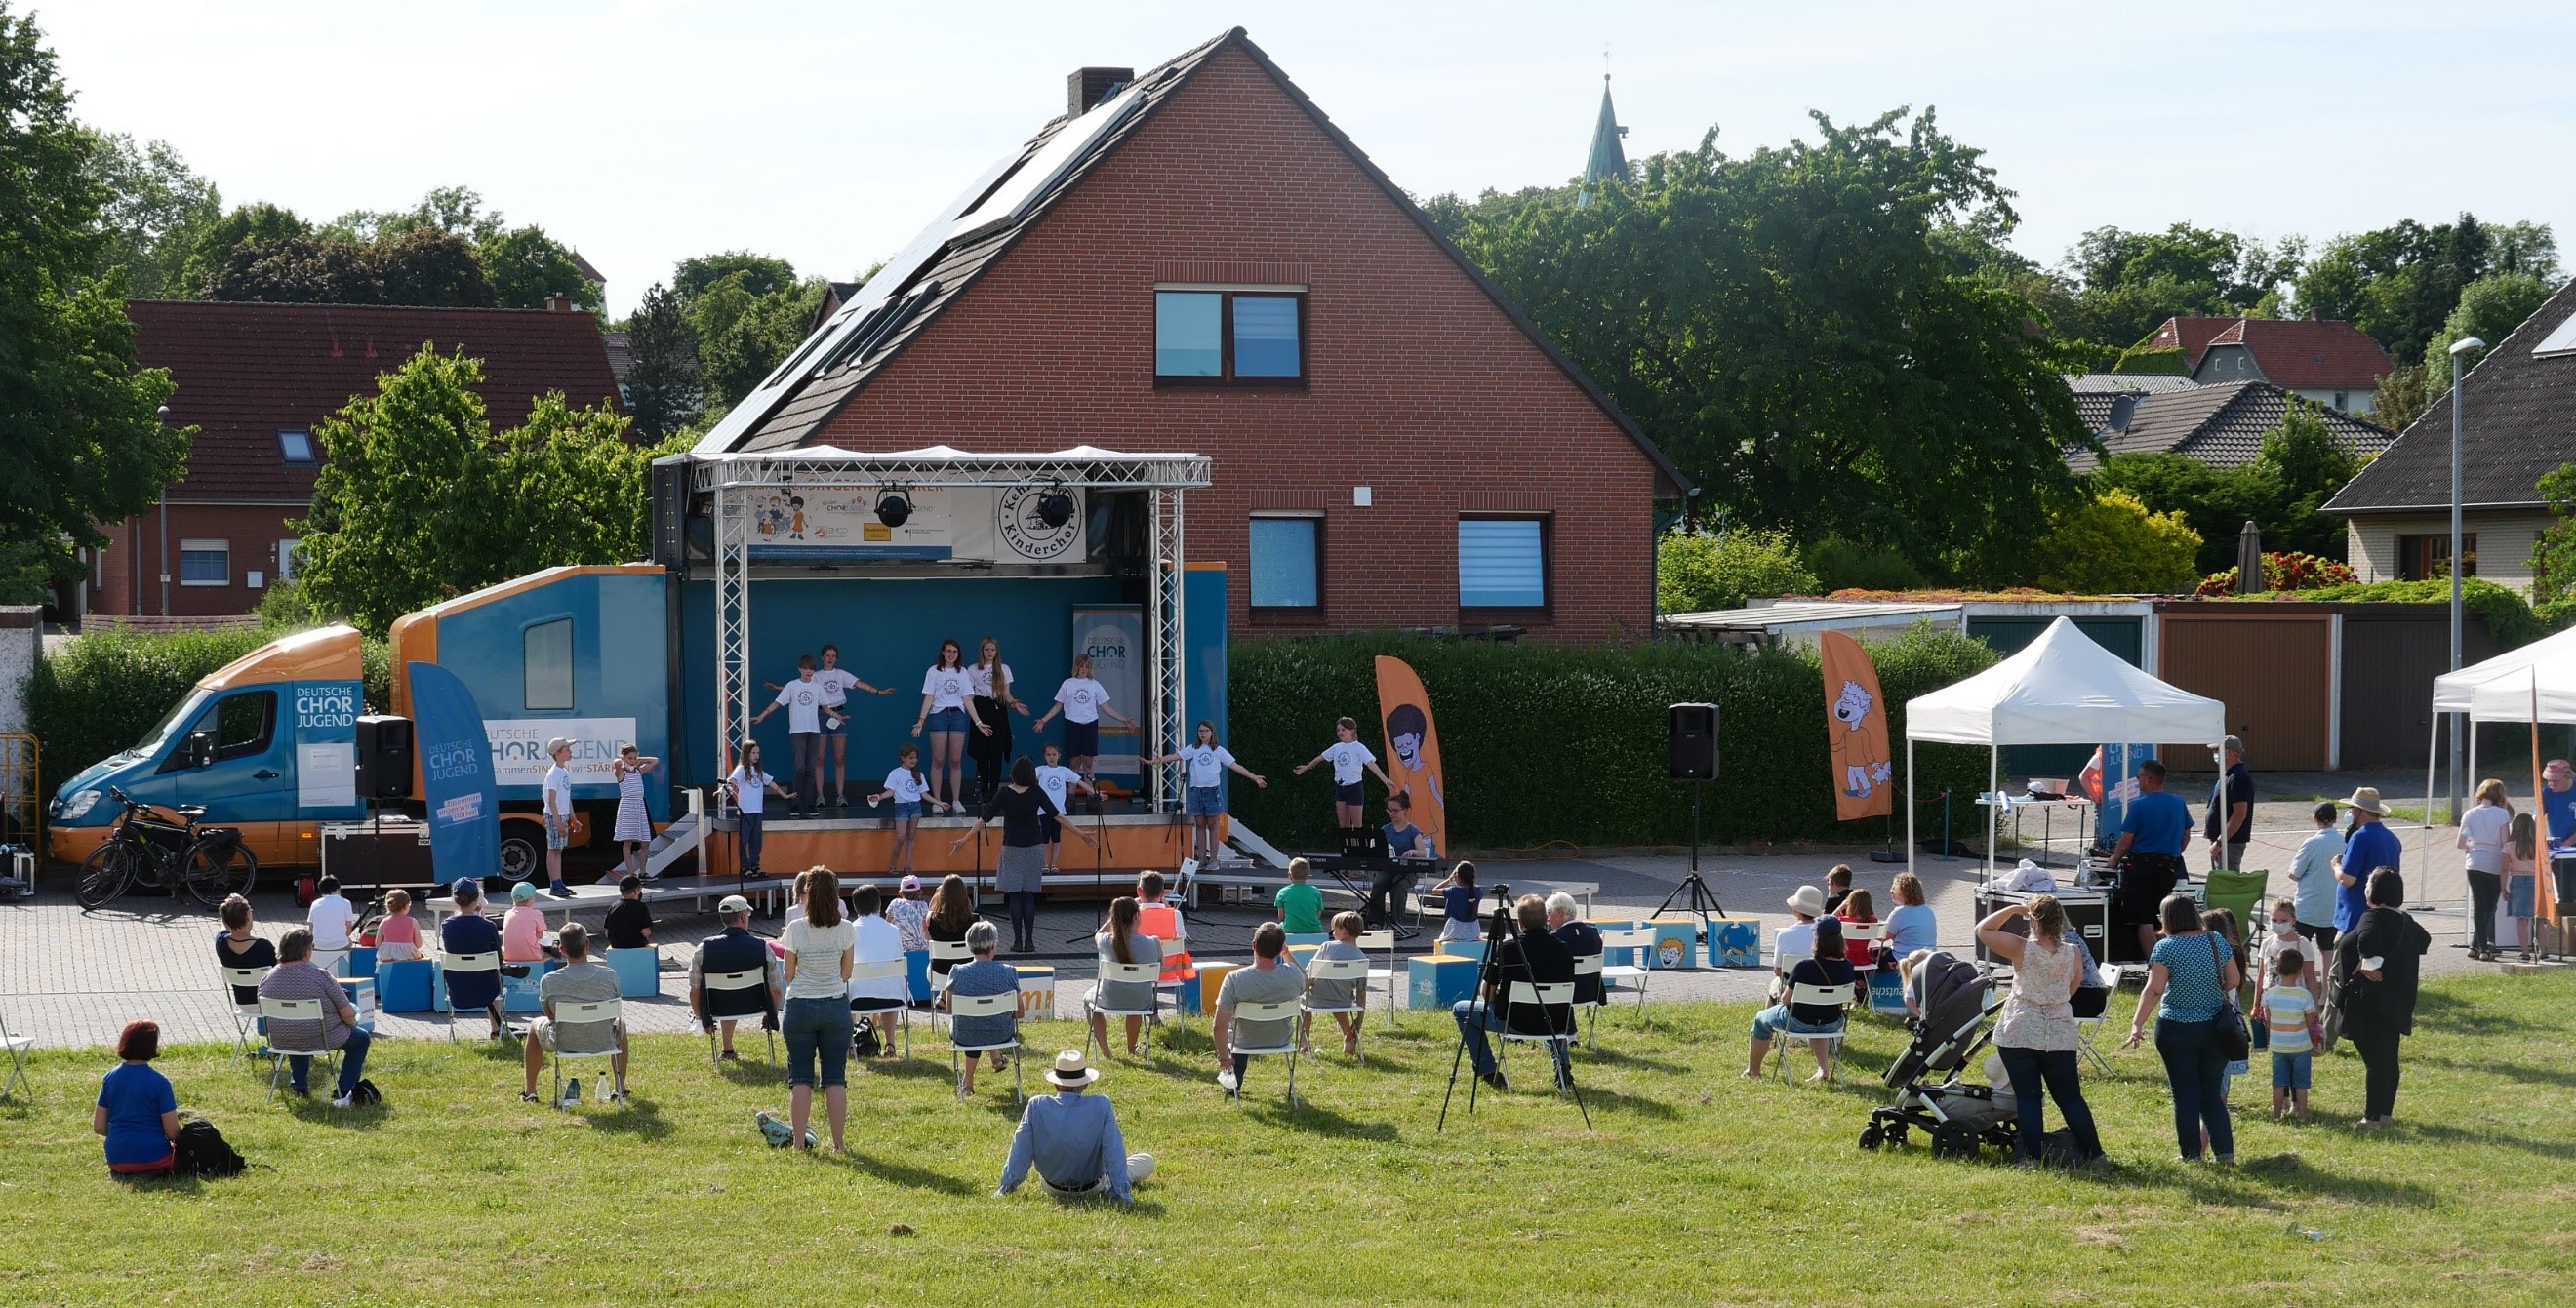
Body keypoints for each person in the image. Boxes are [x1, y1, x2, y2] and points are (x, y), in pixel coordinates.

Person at [1976, 897, 2107, 1169]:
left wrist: (2013, 909)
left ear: (2033, 920)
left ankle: (2031, 1158)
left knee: (2028, 1097)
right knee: (2070, 1098)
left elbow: (1983, 930)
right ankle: (2096, 1156)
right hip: (2059, 1030)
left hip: (2021, 1028)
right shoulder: (2073, 951)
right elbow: (2073, 986)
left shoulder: (2022, 948)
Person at [2122, 894, 2242, 1163]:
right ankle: (2225, 1153)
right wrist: (2208, 992)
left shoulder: (2166, 947)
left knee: (2185, 1094)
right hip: (2214, 1027)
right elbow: (2234, 979)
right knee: (2211, 1094)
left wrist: (2137, 1024)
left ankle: (2191, 1155)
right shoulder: (2216, 941)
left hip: (2176, 1028)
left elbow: (2154, 989)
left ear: (2168, 918)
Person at [952, 755, 1099, 954]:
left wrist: (965, 839)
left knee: (1015, 895)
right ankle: (1030, 941)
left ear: (1014, 773)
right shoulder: (1037, 792)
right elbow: (1058, 816)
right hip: (1033, 846)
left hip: (1011, 846)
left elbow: (984, 818)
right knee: (1028, 895)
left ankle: (1016, 941)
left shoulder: (1005, 792)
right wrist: (1081, 834)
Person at [2334, 868, 2433, 1129]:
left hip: (2370, 1000)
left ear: (2375, 892)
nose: (2365, 888)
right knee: (2388, 1059)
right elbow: (2425, 940)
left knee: (2376, 1061)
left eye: (2368, 884)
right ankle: (2385, 1114)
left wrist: (2368, 963)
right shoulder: (2406, 920)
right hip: (2398, 999)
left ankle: (2372, 1117)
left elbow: (2366, 941)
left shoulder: (2372, 916)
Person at [1455, 894, 1577, 1091]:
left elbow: (1487, 995)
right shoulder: (1563, 948)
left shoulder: (1508, 949)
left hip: (1514, 1021)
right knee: (1552, 1007)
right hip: (1554, 1021)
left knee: (1460, 1009)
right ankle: (1562, 1068)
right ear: (1546, 918)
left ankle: (1487, 1070)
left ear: (1519, 922)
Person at [996, 1050, 1152, 1202]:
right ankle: (1118, 1181)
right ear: (1085, 1084)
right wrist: (1121, 1192)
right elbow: (1113, 1151)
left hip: (1052, 1186)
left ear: (1055, 1085)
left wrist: (1006, 1187)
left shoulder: (1036, 1106)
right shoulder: (1101, 1105)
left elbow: (1020, 1151)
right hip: (1092, 1187)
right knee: (1146, 1160)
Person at [779, 869, 857, 1152]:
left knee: (800, 1077)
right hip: (835, 1006)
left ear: (806, 895)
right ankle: (839, 1145)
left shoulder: (796, 928)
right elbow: (846, 973)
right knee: (836, 1077)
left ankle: (799, 1144)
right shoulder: (847, 929)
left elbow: (788, 973)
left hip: (799, 1005)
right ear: (835, 895)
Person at [258, 928, 374, 1105]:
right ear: (306, 951)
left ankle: (299, 1085)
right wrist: (350, 1024)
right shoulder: (320, 976)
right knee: (361, 1039)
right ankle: (343, 1090)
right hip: (322, 1037)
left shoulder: (267, 978)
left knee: (296, 1028)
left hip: (281, 1038)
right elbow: (348, 1014)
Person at [520, 923, 627, 1104]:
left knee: (533, 1026)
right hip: (603, 1039)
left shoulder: (549, 980)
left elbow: (550, 1015)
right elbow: (615, 1007)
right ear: (587, 945)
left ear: (562, 950)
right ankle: (620, 1087)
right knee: (621, 1024)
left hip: (563, 1041)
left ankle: (530, 1091)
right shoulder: (609, 975)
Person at [1746, 916, 1857, 1082]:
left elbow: (1786, 1000)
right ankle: (1823, 1069)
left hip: (1799, 1022)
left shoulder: (1804, 967)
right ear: (1840, 939)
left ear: (1817, 938)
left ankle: (1753, 1071)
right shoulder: (1848, 966)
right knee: (1819, 1020)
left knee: (1761, 1018)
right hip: (1832, 1023)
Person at [1147, 719, 1267, 867]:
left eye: (1205, 731)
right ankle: (1202, 859)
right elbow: (1175, 756)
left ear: (1212, 733)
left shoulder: (1218, 750)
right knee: (1200, 824)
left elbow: (1235, 765)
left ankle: (1214, 859)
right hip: (1196, 790)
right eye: (1200, 731)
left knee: (1213, 824)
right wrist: (1157, 760)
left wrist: (1254, 777)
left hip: (1212, 791)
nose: (1202, 734)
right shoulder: (1193, 749)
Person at [2109, 758, 2192, 960]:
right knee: (2164, 913)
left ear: (2148, 779)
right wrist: (2174, 853)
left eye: (2138, 777)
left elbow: (2126, 841)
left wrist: (2113, 860)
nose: (2136, 781)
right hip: (2169, 866)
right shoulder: (2178, 803)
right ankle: (2172, 959)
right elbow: (2186, 835)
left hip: (2142, 867)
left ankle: (2154, 963)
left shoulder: (2139, 806)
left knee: (2144, 918)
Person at [792, 643, 894, 807]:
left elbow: (859, 684)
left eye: (833, 656)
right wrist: (778, 689)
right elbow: (799, 687)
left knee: (839, 758)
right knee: (819, 758)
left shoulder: (841, 674)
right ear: (822, 657)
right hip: (820, 715)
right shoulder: (816, 676)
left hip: (838, 716)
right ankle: (820, 795)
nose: (830, 658)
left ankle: (840, 794)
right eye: (828, 655)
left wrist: (878, 691)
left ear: (836, 658)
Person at [1214, 923, 1308, 1093]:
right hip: (1281, 1039)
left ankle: (1233, 1086)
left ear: (1254, 945)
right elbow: (1305, 981)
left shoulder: (1234, 979)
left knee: (1234, 1032)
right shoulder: (1293, 974)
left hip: (1243, 1041)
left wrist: (1223, 1058)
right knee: (1238, 1033)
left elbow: (1218, 1027)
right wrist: (1287, 954)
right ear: (1281, 948)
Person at [690, 894, 780, 1061]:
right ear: (743, 917)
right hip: (755, 1004)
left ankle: (727, 1048)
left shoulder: (703, 949)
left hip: (717, 1006)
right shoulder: (763, 948)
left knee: (727, 994)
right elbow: (775, 991)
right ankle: (729, 1049)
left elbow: (694, 991)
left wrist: (700, 1017)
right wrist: (771, 1015)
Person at [1032, 653, 1135, 785]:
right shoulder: (1068, 684)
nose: (1084, 669)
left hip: (1090, 725)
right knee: (1074, 762)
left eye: (1087, 667)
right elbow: (1058, 705)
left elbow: (1106, 707)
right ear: (1077, 667)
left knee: (1088, 762)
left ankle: (1091, 795)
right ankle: (1071, 796)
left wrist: (1123, 720)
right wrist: (1043, 720)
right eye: (1081, 666)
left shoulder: (1095, 684)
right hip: (1073, 725)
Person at [95, 1021, 179, 1179]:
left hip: (116, 1158)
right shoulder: (160, 1082)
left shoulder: (109, 1078)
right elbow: (172, 1131)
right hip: (153, 1157)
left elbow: (99, 1127)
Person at [945, 921, 1020, 1092]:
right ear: (994, 945)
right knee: (985, 1020)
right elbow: (1020, 1012)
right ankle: (996, 1057)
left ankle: (967, 1082)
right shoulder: (1009, 972)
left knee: (974, 1023)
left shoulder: (957, 971)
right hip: (1001, 1033)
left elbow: (951, 1009)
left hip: (965, 1034)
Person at [749, 654, 827, 819]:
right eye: (806, 668)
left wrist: (836, 715)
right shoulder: (792, 686)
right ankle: (796, 803)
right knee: (800, 768)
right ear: (800, 669)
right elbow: (777, 703)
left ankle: (809, 804)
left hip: (814, 731)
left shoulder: (817, 687)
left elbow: (826, 707)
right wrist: (762, 715)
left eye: (811, 669)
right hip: (797, 731)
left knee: (810, 769)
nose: (809, 671)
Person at [1293, 716, 1398, 834]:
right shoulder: (1336, 747)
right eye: (1338, 730)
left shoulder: (1359, 748)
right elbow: (1320, 758)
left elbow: (1371, 764)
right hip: (1340, 788)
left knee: (1357, 825)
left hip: (1354, 788)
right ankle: (1346, 850)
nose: (1340, 732)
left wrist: (1385, 781)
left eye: (1343, 729)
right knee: (1343, 825)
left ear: (1352, 731)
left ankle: (1359, 851)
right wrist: (1306, 768)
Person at [913, 638, 984, 810]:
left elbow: (967, 698)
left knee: (955, 760)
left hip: (958, 715)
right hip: (939, 714)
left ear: (958, 654)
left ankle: (956, 800)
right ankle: (937, 801)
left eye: (955, 651)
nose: (951, 654)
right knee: (938, 760)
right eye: (948, 651)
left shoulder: (963, 672)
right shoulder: (934, 671)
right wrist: (921, 721)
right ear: (943, 653)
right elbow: (929, 696)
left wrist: (978, 722)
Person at [1090, 896, 1164, 1057]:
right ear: (1136, 916)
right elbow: (1159, 967)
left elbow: (1099, 933)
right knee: (1135, 1003)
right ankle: (1131, 1048)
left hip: (1110, 998)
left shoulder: (1106, 941)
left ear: (1114, 919)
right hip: (1142, 1000)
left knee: (1089, 1001)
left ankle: (1106, 1051)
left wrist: (1113, 919)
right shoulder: (1151, 943)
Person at [967, 636, 1032, 804]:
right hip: (980, 708)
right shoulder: (973, 669)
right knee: (982, 752)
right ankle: (982, 789)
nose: (989, 652)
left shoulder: (1004, 669)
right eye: (987, 649)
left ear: (997, 652)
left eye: (992, 649)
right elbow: (970, 695)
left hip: (998, 709)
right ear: (982, 651)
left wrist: (1015, 704)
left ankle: (994, 789)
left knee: (997, 751)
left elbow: (1006, 693)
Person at [440, 878, 508, 1040]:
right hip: (487, 989)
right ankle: (496, 1029)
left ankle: (496, 1029)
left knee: (488, 974)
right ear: (477, 899)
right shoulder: (488, 926)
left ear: (455, 900)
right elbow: (498, 961)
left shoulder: (447, 926)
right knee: (494, 975)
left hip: (458, 989)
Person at [848, 885, 908, 1057]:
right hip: (893, 997)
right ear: (879, 905)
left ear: (855, 907)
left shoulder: (850, 931)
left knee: (846, 989)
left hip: (858, 999)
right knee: (888, 982)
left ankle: (851, 1046)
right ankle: (890, 1043)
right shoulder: (893, 930)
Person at [2458, 778, 2514, 962]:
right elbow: (2504, 841)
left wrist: (2475, 844)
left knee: (2480, 905)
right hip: (2494, 862)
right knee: (2489, 906)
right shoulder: (2502, 814)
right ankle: (2483, 948)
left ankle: (2475, 945)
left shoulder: (2469, 814)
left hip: (2474, 862)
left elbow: (2462, 842)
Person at [2334, 787, 2400, 938]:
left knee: (2343, 960)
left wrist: (2336, 866)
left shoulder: (2360, 837)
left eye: (2352, 809)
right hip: (2382, 918)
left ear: (2359, 811)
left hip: (2354, 919)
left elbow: (2347, 879)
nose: (2350, 813)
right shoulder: (2392, 838)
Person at [2261, 949, 2317, 1121]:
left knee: (2278, 1083)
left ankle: (2276, 1115)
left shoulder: (2269, 994)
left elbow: (2267, 1019)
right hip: (2300, 1045)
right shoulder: (2304, 995)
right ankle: (2302, 1115)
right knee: (2301, 1084)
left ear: (2276, 970)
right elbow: (2310, 1019)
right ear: (2300, 970)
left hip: (2278, 1045)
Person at [870, 743, 942, 877]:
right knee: (901, 837)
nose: (914, 760)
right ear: (903, 758)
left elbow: (924, 794)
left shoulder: (918, 774)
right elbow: (890, 791)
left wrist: (940, 803)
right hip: (902, 806)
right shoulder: (895, 773)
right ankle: (893, 864)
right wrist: (879, 797)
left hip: (915, 806)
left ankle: (908, 866)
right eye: (911, 758)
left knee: (911, 836)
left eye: (915, 758)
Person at [1308, 911, 1371, 1056]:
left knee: (1303, 1004)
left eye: (1334, 929)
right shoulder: (1361, 958)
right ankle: (1347, 1033)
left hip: (1316, 1000)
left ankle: (1304, 1043)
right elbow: (1361, 992)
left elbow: (1310, 975)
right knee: (1337, 995)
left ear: (1343, 931)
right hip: (1344, 1001)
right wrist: (1359, 1019)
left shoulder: (1327, 947)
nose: (1332, 932)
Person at [1367, 791, 1433, 929]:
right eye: (1389, 810)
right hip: (1388, 869)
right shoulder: (1384, 829)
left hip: (1407, 872)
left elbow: (1423, 853)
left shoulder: (1413, 831)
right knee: (1379, 883)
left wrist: (1413, 851)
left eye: (1395, 810)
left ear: (1405, 811)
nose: (1392, 814)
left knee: (1398, 887)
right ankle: (1375, 922)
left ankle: (1396, 922)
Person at [2286, 801, 2343, 950]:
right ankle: (2327, 975)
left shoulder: (2311, 843)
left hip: (2308, 908)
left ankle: (2301, 973)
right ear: (2335, 819)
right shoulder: (2345, 842)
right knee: (2328, 950)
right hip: (2333, 908)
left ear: (2314, 819)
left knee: (2298, 947)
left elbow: (2294, 873)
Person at [726, 741, 788, 878]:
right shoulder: (742, 769)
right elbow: (733, 781)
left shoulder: (758, 771)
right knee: (744, 841)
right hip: (746, 811)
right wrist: (724, 788)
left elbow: (770, 783)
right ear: (746, 754)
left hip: (757, 810)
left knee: (756, 841)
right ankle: (745, 867)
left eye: (758, 753)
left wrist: (785, 795)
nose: (756, 756)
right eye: (753, 753)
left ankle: (755, 866)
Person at [1032, 742, 1093, 875]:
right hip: (1043, 810)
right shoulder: (1040, 770)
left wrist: (1094, 792)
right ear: (1044, 756)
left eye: (1054, 754)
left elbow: (1080, 782)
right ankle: (1044, 863)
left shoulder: (1064, 771)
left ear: (1059, 756)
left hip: (1059, 811)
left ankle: (1054, 863)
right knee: (1044, 837)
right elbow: (1028, 780)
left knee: (1056, 837)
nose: (1051, 757)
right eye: (1048, 755)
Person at [608, 743, 662, 881]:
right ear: (624, 757)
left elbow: (655, 760)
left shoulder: (638, 771)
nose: (633, 760)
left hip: (639, 805)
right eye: (630, 757)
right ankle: (631, 873)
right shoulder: (621, 772)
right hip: (627, 806)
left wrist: (640, 759)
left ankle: (643, 872)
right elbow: (616, 762)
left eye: (634, 757)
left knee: (645, 841)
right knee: (628, 841)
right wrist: (624, 759)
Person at [1136, 870, 1194, 989]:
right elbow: (1181, 940)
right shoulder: (1175, 915)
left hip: (1139, 975)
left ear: (1139, 891)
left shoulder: (1132, 915)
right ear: (1163, 894)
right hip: (1169, 975)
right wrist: (1167, 908)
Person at [2206, 735, 2255, 874]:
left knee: (2227, 884)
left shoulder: (2238, 777)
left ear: (2231, 752)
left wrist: (2221, 842)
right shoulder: (2228, 774)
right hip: (2223, 843)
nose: (2215, 754)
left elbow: (2240, 813)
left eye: (2218, 750)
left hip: (2229, 844)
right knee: (2221, 881)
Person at [216, 893, 277, 1003]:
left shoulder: (221, 943)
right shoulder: (264, 947)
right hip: (268, 1002)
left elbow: (224, 926)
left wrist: (229, 908)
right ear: (247, 917)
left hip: (243, 1003)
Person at [1547, 892, 1602, 1008]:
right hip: (1592, 992)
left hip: (1562, 994)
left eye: (1549, 913)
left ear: (1560, 912)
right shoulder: (1593, 933)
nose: (1547, 919)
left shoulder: (1555, 938)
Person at [541, 736, 581, 897]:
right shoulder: (554, 774)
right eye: (567, 750)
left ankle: (559, 882)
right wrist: (557, 822)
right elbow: (551, 800)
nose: (570, 752)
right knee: (554, 849)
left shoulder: (564, 771)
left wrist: (573, 818)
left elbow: (566, 797)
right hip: (554, 816)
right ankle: (555, 884)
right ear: (557, 753)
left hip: (563, 815)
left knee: (559, 850)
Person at [925, 874, 980, 984]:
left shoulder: (931, 919)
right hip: (968, 973)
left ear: (942, 895)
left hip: (939, 974)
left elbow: (926, 938)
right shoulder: (977, 920)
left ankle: (942, 997)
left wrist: (936, 894)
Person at [2505, 811, 2543, 963]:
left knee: (2522, 920)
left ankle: (2525, 952)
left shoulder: (2509, 846)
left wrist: (2503, 888)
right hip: (2537, 881)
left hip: (2519, 881)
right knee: (2540, 919)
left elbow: (2504, 869)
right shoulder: (2539, 844)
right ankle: (2543, 951)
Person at [889, 874, 932, 1001]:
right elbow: (925, 929)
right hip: (920, 949)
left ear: (900, 893)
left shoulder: (895, 904)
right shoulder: (924, 906)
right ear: (920, 892)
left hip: (901, 950)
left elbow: (887, 925)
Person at [1883, 873, 1938, 958]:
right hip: (1929, 958)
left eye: (1894, 889)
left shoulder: (1900, 912)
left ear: (1903, 892)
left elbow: (1883, 936)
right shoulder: (1928, 910)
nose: (1891, 891)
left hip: (1905, 959)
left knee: (1873, 955)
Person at [1776, 885, 1826, 975]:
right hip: (1822, 982)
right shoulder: (1827, 933)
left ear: (1796, 910)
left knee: (1774, 985)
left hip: (1794, 986)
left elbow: (1778, 970)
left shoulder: (1784, 935)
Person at [1430, 861, 1483, 944]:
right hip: (1474, 931)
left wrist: (1449, 879)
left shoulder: (1453, 891)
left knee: (1441, 942)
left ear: (1457, 877)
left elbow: (1434, 890)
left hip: (1454, 930)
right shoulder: (1478, 891)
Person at [306, 875, 355, 963]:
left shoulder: (315, 904)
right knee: (350, 942)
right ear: (337, 889)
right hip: (340, 944)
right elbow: (348, 931)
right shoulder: (346, 903)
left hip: (318, 945)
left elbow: (310, 930)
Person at [502, 881, 550, 966]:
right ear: (530, 899)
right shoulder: (537, 914)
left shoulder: (508, 914)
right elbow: (539, 938)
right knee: (547, 945)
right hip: (532, 956)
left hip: (508, 956)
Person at [1274, 857, 1325, 936]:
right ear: (1308, 875)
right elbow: (1318, 915)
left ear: (1289, 875)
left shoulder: (1282, 892)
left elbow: (1281, 917)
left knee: (1278, 926)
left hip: (1289, 929)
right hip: (1313, 929)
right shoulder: (1315, 891)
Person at [604, 875, 654, 952]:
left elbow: (607, 933)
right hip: (636, 945)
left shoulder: (613, 906)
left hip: (616, 945)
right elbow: (646, 932)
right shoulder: (641, 907)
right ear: (637, 890)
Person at [372, 888, 422, 963]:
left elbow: (378, 944)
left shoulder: (384, 922)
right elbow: (418, 944)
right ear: (405, 906)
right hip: (408, 957)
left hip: (387, 957)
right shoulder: (412, 922)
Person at [1833, 888, 1879, 967]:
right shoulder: (1873, 920)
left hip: (1845, 958)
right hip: (1864, 959)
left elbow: (1828, 920)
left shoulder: (1843, 920)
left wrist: (1840, 907)